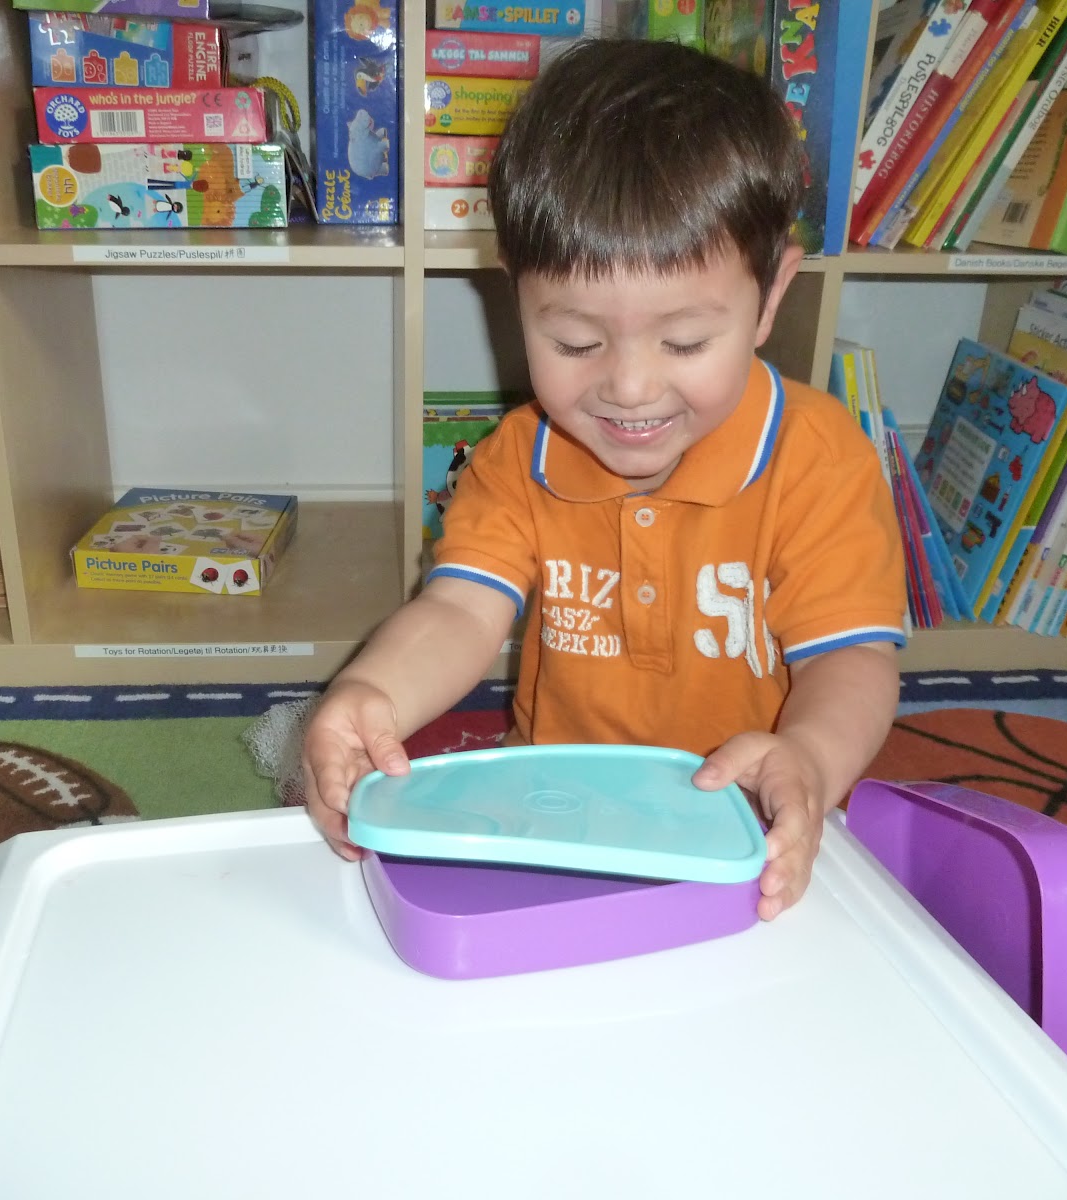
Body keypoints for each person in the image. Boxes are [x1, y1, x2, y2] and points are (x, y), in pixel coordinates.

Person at [302, 37, 907, 920]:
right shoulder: (516, 457)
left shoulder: (819, 458)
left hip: (751, 820)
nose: (628, 387)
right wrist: (371, 693)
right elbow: (461, 611)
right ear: (515, 292)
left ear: (772, 295)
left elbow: (852, 658)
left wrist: (811, 758)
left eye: (685, 342)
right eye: (575, 341)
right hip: (557, 812)